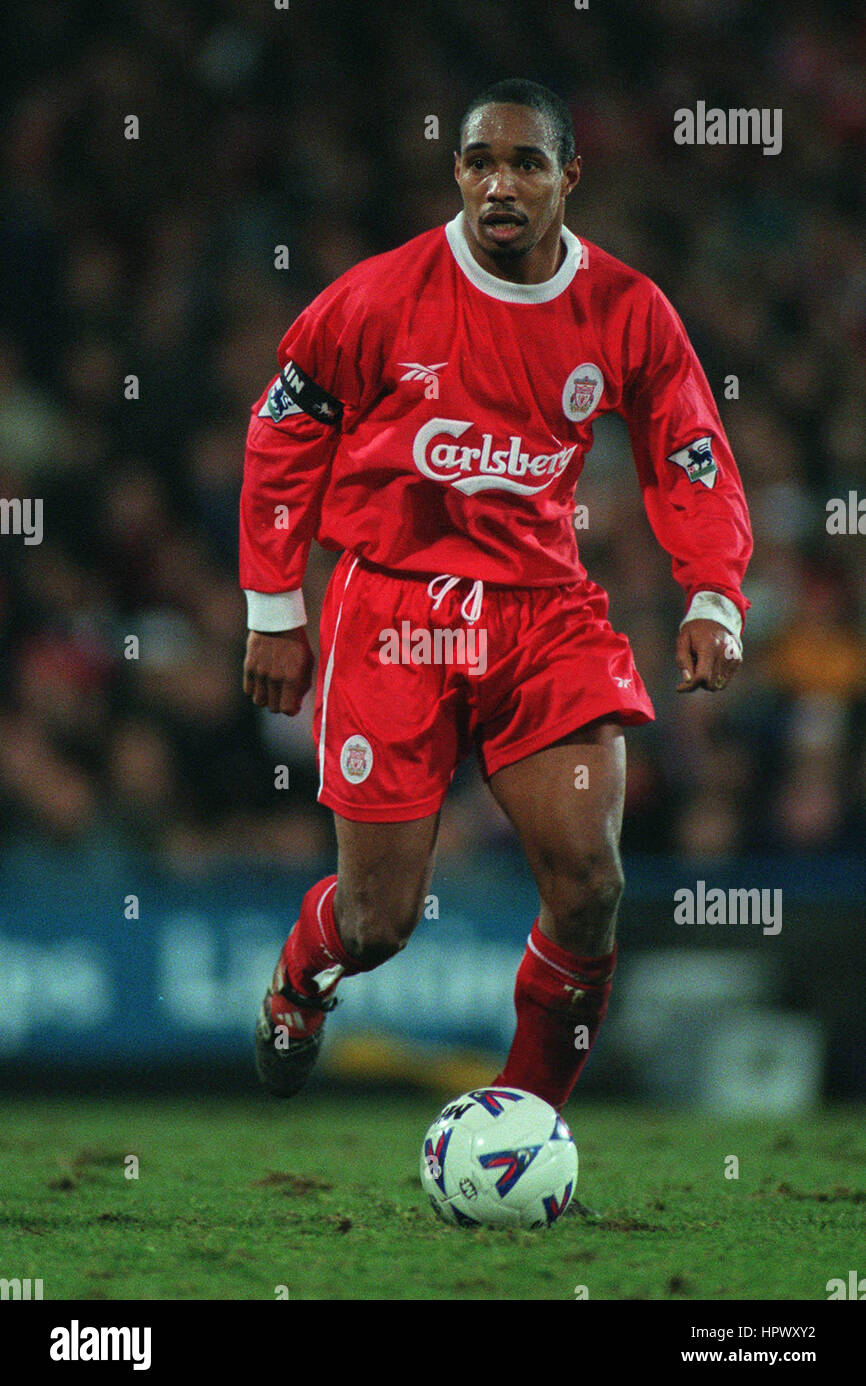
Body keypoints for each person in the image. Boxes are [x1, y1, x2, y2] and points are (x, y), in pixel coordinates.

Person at [239, 78, 752, 1108]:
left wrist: (712, 593)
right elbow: (282, 436)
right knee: (378, 922)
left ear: (570, 177)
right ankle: (303, 975)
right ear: (458, 174)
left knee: (590, 882)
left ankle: (525, 1117)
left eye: (525, 163)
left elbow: (687, 450)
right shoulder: (378, 297)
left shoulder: (625, 308)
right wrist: (274, 609)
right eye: (480, 163)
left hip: (541, 614)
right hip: (394, 613)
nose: (500, 185)